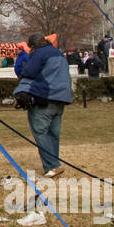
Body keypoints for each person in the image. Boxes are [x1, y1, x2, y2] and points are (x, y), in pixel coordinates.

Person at [13, 32, 72, 178]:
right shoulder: (58, 53)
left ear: (33, 46)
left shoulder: (39, 53)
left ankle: (52, 165)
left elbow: (29, 72)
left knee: (40, 132)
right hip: (61, 98)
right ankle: (55, 163)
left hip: (44, 98)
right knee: (53, 133)